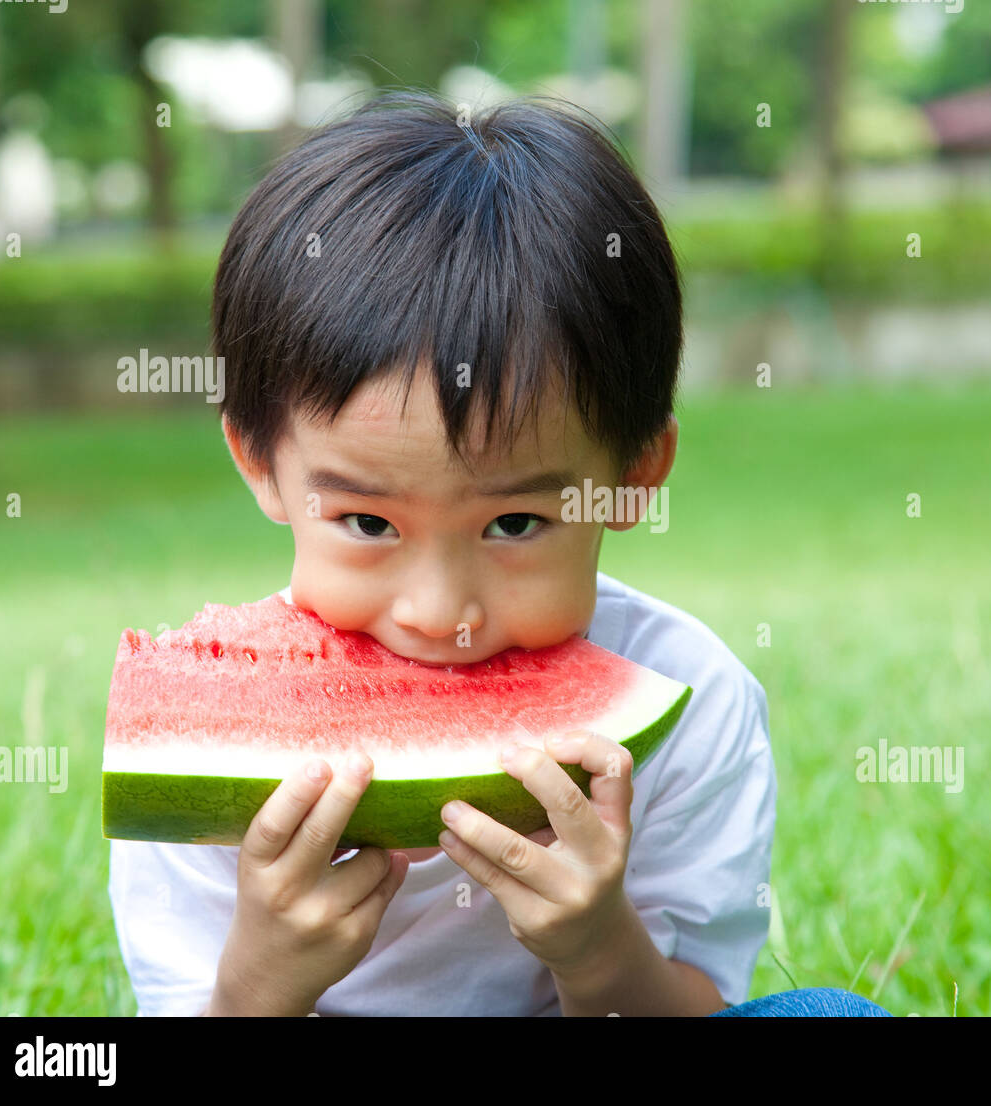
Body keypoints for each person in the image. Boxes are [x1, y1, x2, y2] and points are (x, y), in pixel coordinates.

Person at [108, 89, 889, 1018]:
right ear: (260, 464)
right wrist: (258, 982)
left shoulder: (692, 702)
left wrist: (599, 950)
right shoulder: (201, 745)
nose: (441, 612)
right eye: (369, 524)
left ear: (635, 475)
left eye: (514, 525)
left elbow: (698, 1007)